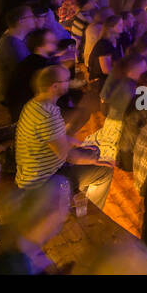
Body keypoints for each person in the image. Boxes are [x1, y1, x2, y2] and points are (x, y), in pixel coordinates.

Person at [15, 65, 113, 208]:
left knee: (93, 151)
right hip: (43, 184)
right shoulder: (48, 116)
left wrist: (80, 144)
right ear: (54, 86)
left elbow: (54, 138)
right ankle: (86, 208)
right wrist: (95, 160)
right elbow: (67, 155)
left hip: (34, 176)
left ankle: (75, 197)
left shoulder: (34, 105)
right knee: (105, 170)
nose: (70, 82)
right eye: (66, 80)